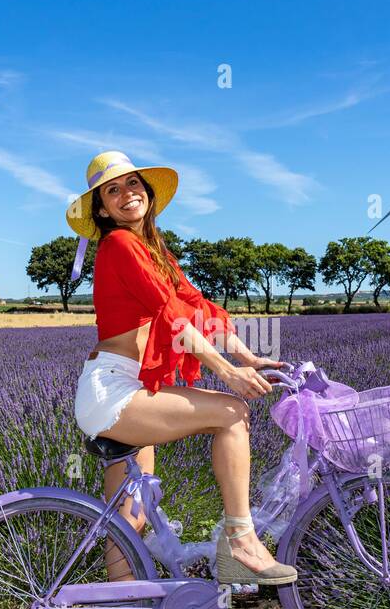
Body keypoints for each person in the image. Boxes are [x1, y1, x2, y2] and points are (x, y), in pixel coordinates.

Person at [67, 151, 298, 585]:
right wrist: (227, 374)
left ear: (147, 193)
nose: (126, 194)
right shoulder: (118, 244)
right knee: (231, 413)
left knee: (130, 515)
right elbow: (169, 317)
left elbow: (194, 307)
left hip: (124, 388)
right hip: (115, 391)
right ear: (102, 208)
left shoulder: (153, 251)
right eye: (112, 190)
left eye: (133, 183)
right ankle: (241, 540)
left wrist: (245, 356)